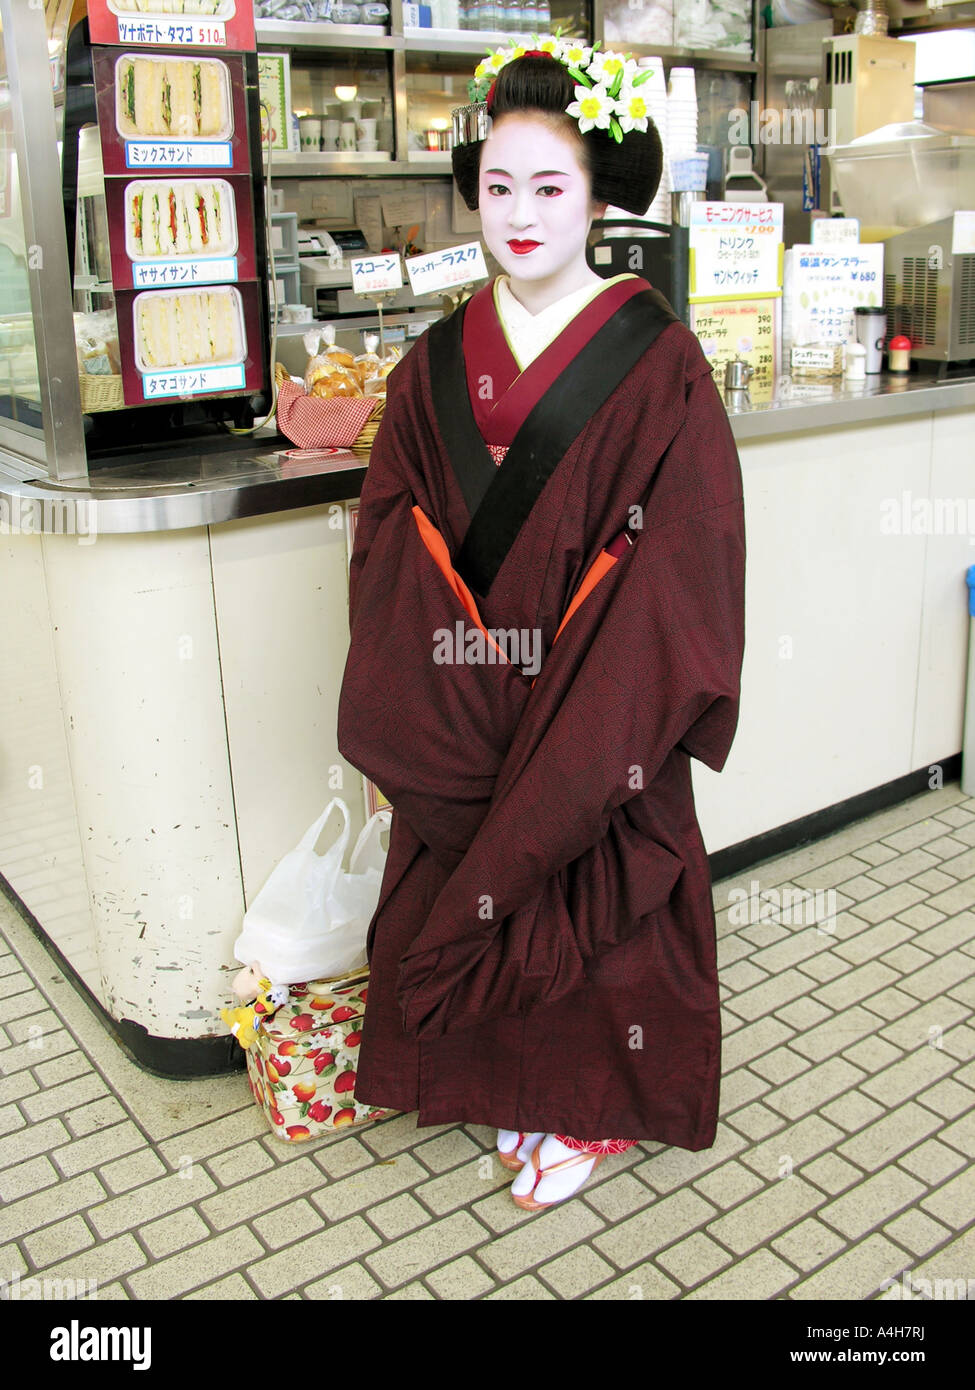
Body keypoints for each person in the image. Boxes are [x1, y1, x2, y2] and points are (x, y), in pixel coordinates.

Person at [337, 39, 746, 1212]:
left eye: (550, 188)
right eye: (498, 186)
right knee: (472, 872)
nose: (518, 214)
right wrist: (445, 692)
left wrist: (588, 704)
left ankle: (595, 1118)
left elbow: (689, 561)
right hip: (459, 701)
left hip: (596, 705)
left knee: (593, 885)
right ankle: (511, 1095)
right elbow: (387, 540)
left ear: (600, 197)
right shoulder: (430, 365)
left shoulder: (662, 362)